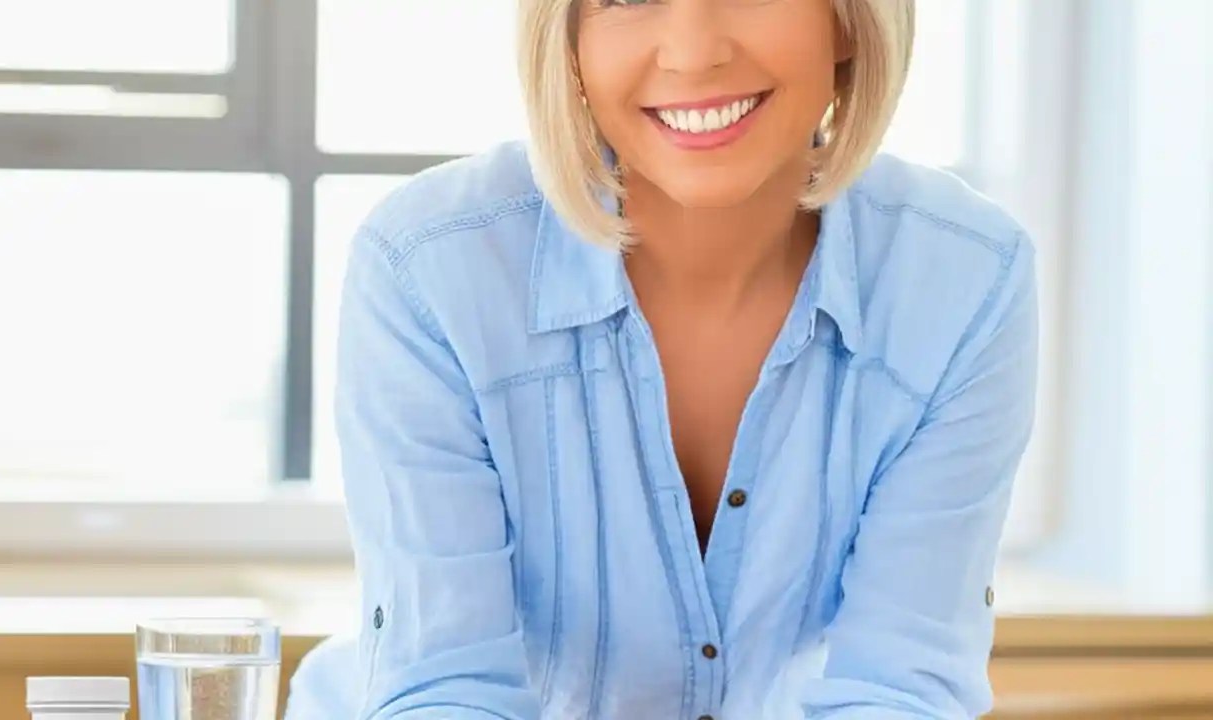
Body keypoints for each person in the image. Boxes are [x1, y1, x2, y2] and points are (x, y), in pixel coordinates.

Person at [300, 0, 1038, 717]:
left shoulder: (966, 280)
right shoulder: (430, 267)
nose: (693, 51)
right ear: (568, 39)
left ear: (848, 18)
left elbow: (897, 687)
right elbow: (446, 690)